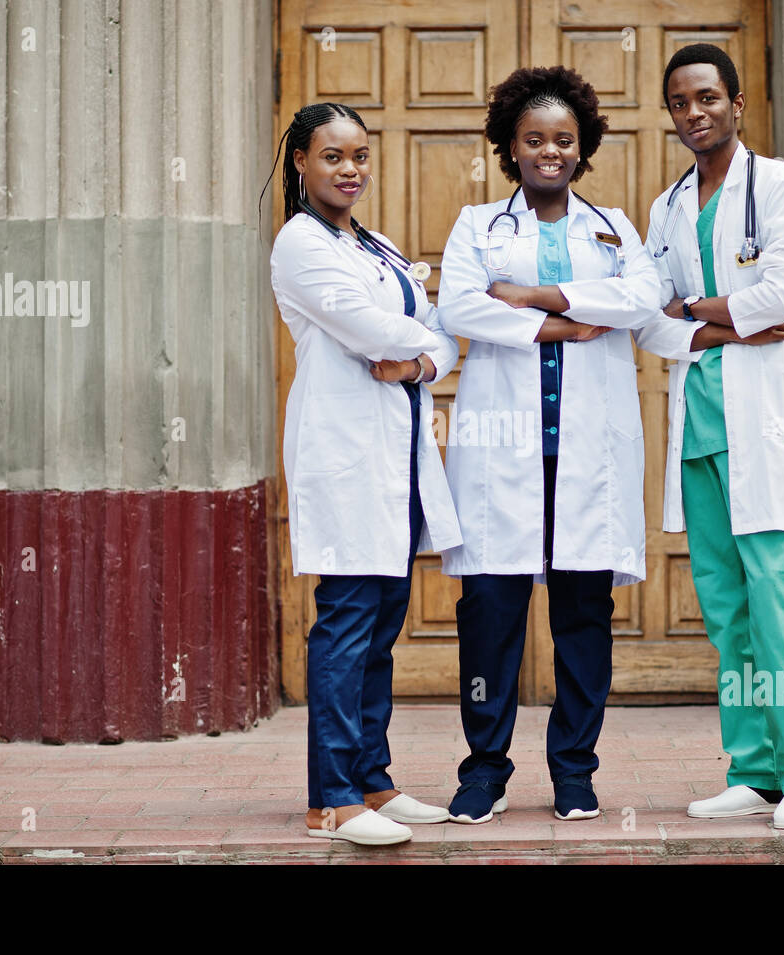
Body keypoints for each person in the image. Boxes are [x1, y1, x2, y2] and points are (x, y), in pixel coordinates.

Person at [437, 67, 660, 824]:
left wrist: (533, 298)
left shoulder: (615, 226)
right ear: (510, 146)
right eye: (534, 139)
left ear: (583, 145)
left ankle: (574, 769)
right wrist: (568, 324)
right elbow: (461, 304)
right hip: (504, 449)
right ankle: (483, 769)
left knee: (582, 616)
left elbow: (642, 297)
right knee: (490, 613)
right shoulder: (477, 224)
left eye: (564, 139)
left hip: (586, 452)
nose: (550, 152)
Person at [635, 44, 784, 830]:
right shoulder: (667, 207)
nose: (694, 113)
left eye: (707, 98)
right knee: (726, 610)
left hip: (770, 430)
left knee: (777, 603)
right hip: (702, 436)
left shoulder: (779, 185)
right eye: (680, 102)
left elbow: (782, 299)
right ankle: (753, 770)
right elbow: (653, 319)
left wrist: (694, 308)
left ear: (737, 102)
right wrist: (711, 317)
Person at [266, 102, 463, 846]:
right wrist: (424, 346)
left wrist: (420, 360)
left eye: (359, 157)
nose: (350, 170)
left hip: (398, 453)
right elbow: (369, 328)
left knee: (381, 623)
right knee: (346, 622)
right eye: (332, 157)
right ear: (301, 163)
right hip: (344, 452)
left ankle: (373, 779)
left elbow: (437, 334)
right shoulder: (300, 244)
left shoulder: (372, 243)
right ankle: (332, 796)